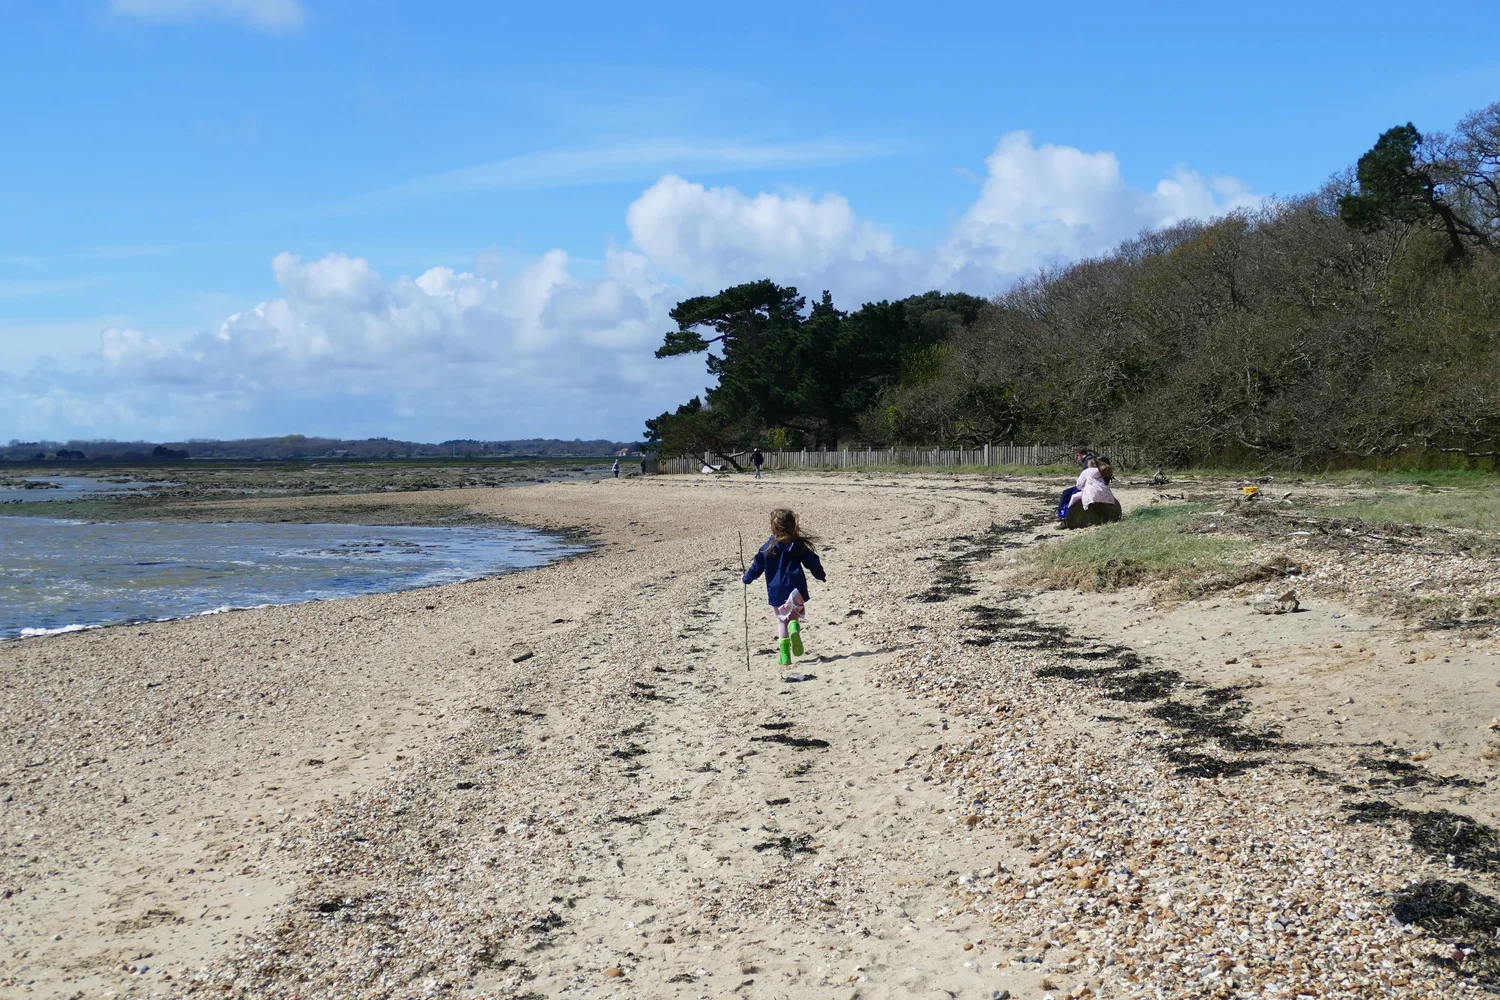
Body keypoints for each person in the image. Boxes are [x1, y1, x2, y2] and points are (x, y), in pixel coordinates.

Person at [741, 508, 826, 666]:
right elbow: (812, 561)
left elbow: (756, 566)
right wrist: (820, 575)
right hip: (796, 587)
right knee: (793, 617)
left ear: (774, 528)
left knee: (781, 620)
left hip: (776, 589)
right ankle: (795, 627)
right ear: (793, 526)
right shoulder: (798, 545)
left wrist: (747, 578)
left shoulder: (768, 547)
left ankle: (785, 656)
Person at [1062, 461, 1122, 528]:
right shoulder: (1101, 472)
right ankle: (1103, 518)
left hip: (1092, 494)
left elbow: (1079, 484)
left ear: (1089, 465)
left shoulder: (1086, 472)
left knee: (1074, 496)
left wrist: (1082, 488)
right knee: (1100, 507)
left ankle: (1066, 515)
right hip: (1105, 494)